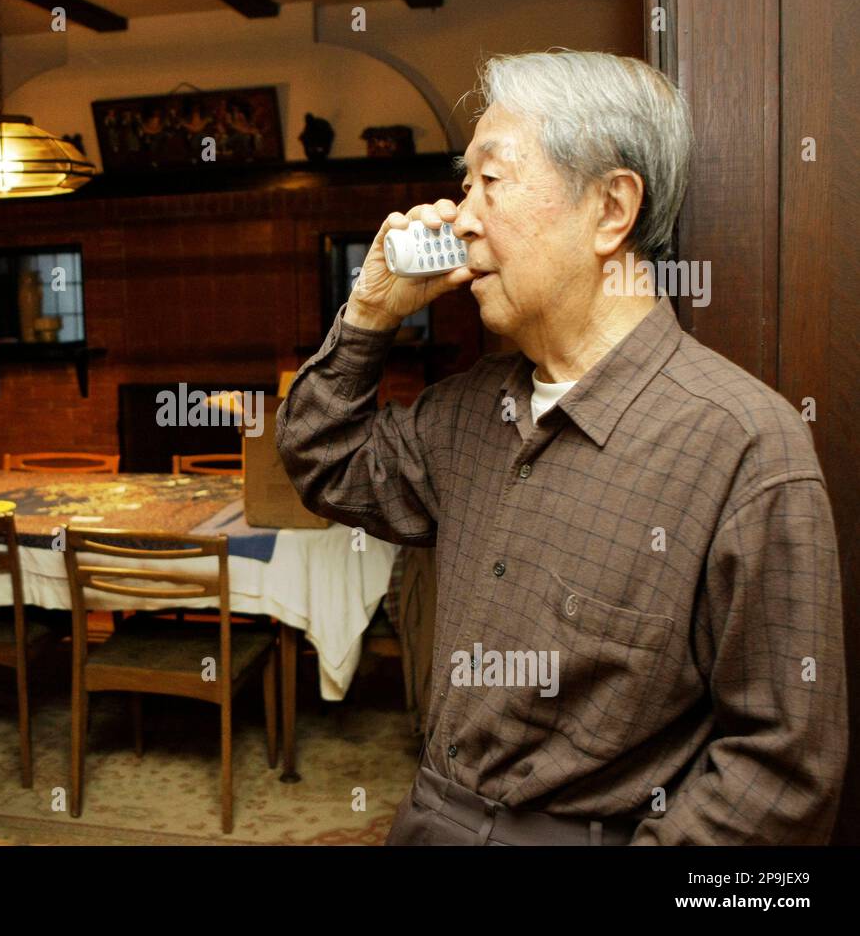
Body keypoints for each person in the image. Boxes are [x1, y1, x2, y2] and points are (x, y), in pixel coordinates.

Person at [276, 51, 846, 845]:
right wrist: (370, 314)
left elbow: (782, 769)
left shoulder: (744, 445)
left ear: (611, 209)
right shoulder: (470, 407)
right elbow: (323, 461)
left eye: (491, 181)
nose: (460, 216)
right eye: (464, 184)